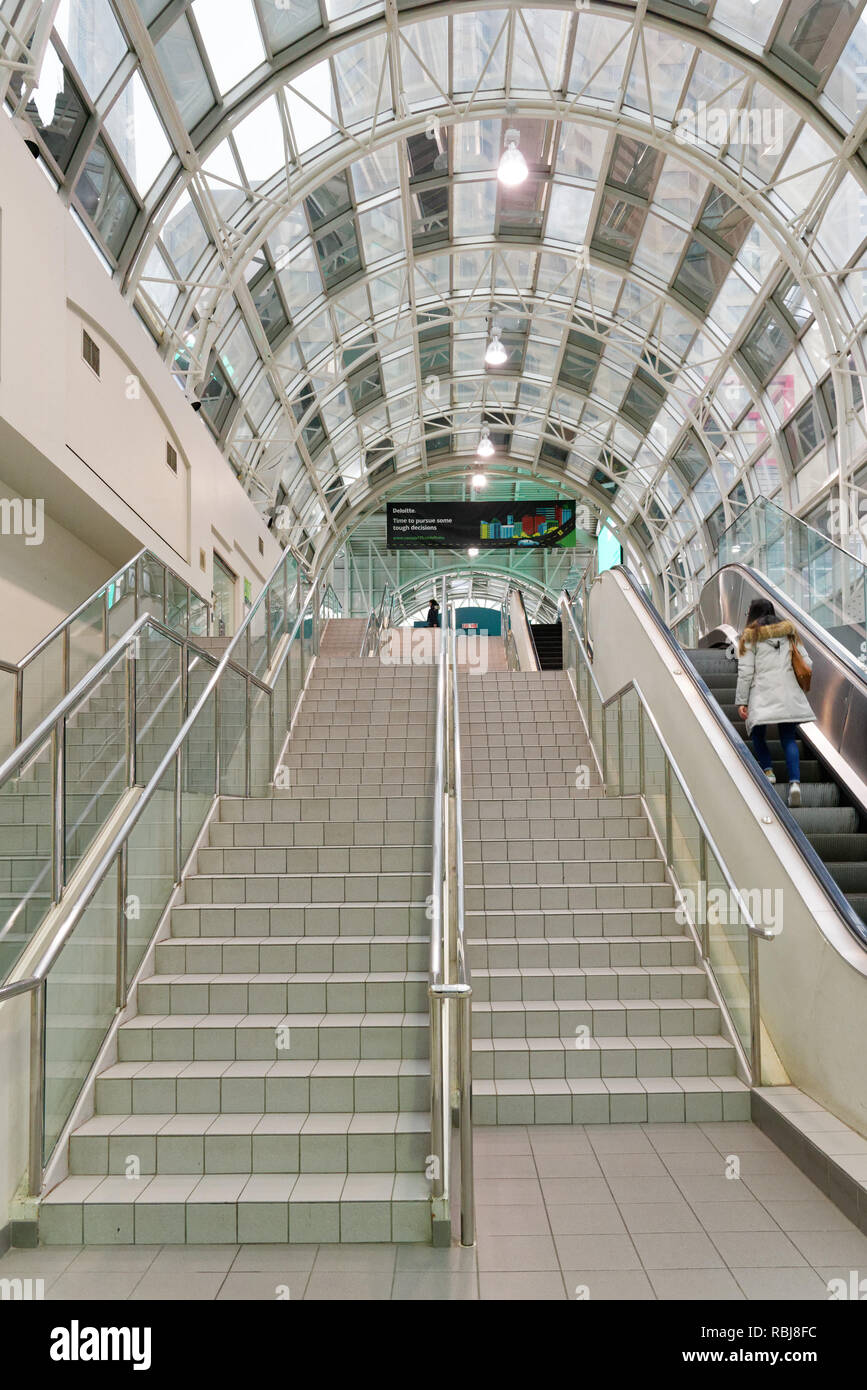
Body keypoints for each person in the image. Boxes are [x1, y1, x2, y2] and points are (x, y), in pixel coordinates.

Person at [735, 597, 814, 808]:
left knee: (757, 733)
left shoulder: (749, 637)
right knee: (788, 737)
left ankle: (768, 771)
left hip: (761, 693)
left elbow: (745, 672)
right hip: (788, 693)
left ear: (752, 614)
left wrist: (742, 700)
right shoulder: (790, 632)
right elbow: (807, 662)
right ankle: (795, 783)